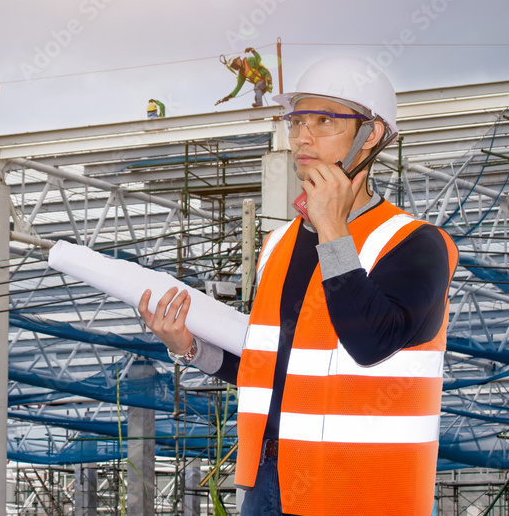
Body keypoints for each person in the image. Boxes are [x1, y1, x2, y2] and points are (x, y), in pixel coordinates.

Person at [140, 57, 457, 516]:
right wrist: (188, 346)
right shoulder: (279, 244)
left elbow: (370, 342)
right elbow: (274, 372)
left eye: (324, 120)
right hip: (270, 481)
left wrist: (332, 228)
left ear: (371, 135)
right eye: (296, 121)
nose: (302, 137)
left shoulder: (418, 244)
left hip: (364, 490)